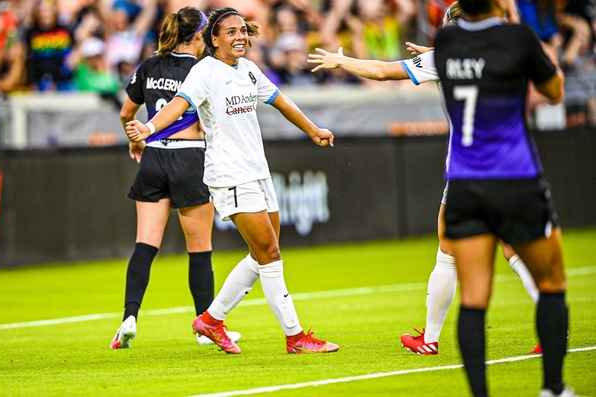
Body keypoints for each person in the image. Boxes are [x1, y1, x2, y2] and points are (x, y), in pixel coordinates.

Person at [307, 1, 543, 356]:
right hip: (512, 164)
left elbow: (384, 72)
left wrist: (343, 61)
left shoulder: (444, 59)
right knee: (514, 248)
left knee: (447, 253)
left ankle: (430, 339)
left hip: (468, 168)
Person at [126, 7, 339, 355]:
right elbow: (178, 105)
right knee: (268, 253)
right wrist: (148, 128)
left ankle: (211, 320)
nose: (240, 36)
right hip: (230, 174)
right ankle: (295, 336)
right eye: (230, 32)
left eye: (243, 30)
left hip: (258, 171)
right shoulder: (204, 72)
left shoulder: (249, 70)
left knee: (263, 253)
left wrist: (313, 129)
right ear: (214, 39)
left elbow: (281, 102)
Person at [435, 0, 569, 395]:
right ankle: (553, 388)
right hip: (516, 180)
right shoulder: (517, 38)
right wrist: (512, 19)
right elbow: (555, 91)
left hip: (464, 182)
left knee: (474, 298)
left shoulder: (445, 43)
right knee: (552, 282)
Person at [110, 6, 239, 350]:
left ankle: (129, 317)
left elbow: (126, 113)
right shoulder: (205, 69)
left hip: (154, 156)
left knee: (144, 245)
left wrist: (135, 140)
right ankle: (205, 328)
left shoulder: (150, 65)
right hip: (189, 156)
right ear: (199, 37)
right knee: (199, 250)